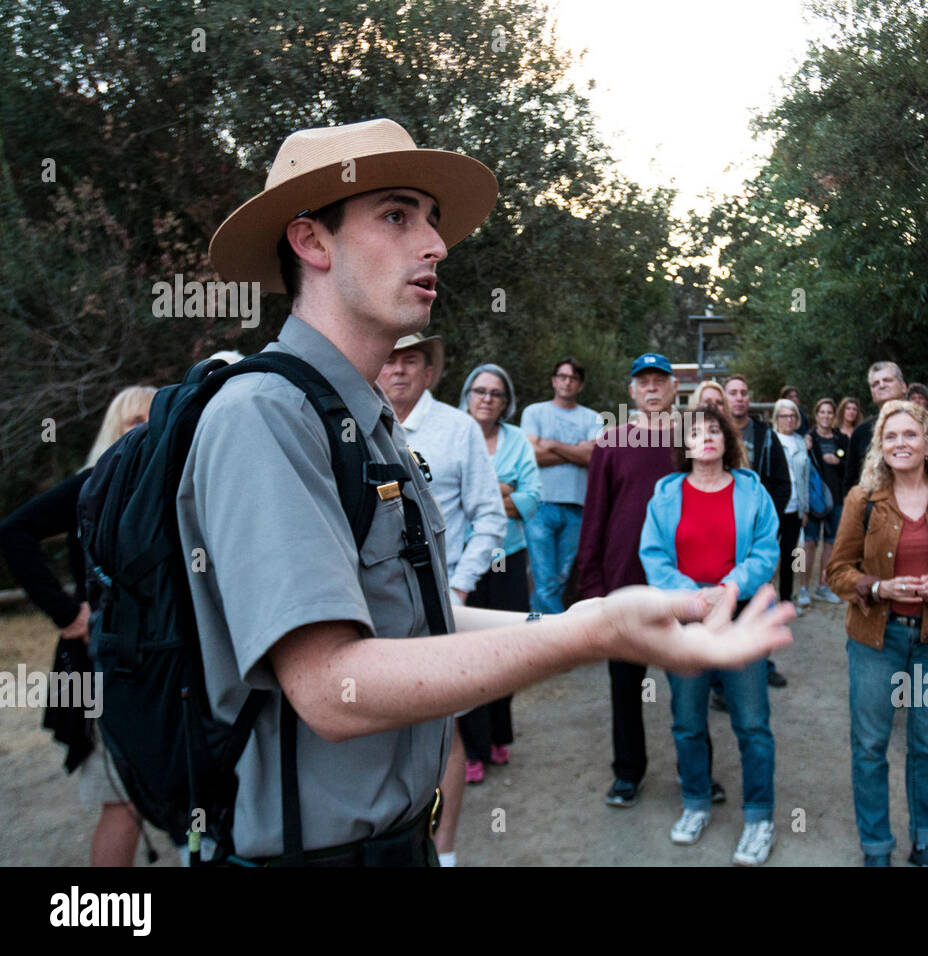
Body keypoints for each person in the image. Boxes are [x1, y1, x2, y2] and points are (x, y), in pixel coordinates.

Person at [189, 117, 792, 865]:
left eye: (433, 221)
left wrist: (584, 615)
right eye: (397, 215)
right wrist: (591, 635)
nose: (436, 245)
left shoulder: (368, 422)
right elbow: (329, 686)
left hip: (396, 841)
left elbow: (422, 625)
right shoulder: (264, 415)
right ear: (312, 243)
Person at [827, 399, 928, 866]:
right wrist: (876, 586)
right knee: (870, 746)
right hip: (875, 639)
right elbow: (837, 570)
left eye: (910, 434)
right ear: (880, 446)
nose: (901, 443)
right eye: (891, 436)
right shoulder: (863, 500)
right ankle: (877, 847)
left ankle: (927, 844)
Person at [0, 385, 156, 867]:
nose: (147, 431)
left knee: (148, 794)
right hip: (96, 668)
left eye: (156, 421)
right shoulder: (92, 483)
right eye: (135, 422)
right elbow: (14, 531)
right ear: (116, 429)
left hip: (147, 669)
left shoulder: (160, 490)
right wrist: (68, 613)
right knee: (124, 801)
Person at [376, 332, 507, 867]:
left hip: (438, 613)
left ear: (430, 372)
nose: (399, 371)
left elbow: (490, 517)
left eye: (412, 361)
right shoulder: (352, 424)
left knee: (441, 729)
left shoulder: (458, 431)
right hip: (373, 613)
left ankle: (444, 853)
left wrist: (456, 586)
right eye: (390, 359)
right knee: (379, 731)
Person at [640, 403, 781, 865]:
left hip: (740, 620)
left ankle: (760, 818)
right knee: (686, 720)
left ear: (727, 440)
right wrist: (698, 600)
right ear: (685, 444)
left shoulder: (751, 489)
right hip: (685, 623)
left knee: (753, 723)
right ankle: (696, 803)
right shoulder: (665, 495)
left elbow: (766, 548)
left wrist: (729, 588)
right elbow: (655, 558)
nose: (706, 437)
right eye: (696, 431)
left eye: (714, 430)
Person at [577, 353, 690, 808]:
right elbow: (595, 517)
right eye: (642, 381)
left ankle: (695, 771)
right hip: (623, 584)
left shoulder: (693, 439)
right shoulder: (611, 442)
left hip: (683, 584)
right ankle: (628, 772)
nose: (651, 387)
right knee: (625, 688)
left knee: (688, 685)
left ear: (673, 388)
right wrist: (591, 589)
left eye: (659, 380)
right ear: (631, 391)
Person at [456, 364, 541, 783]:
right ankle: (470, 746)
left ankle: (497, 734)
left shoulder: (517, 442)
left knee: (506, 648)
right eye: (480, 391)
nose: (487, 398)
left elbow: (533, 499)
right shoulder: (453, 434)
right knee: (467, 651)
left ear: (506, 402)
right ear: (467, 394)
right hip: (462, 561)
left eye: (496, 393)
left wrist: (484, 496)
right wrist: (502, 489)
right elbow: (450, 501)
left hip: (507, 556)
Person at [520, 357, 604, 614]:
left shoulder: (593, 418)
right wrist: (575, 451)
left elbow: (592, 457)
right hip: (540, 506)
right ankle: (555, 634)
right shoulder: (534, 412)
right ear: (554, 380)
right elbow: (532, 455)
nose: (567, 382)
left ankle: (537, 633)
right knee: (545, 579)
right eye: (562, 376)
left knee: (561, 578)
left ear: (580, 385)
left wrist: (552, 444)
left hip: (577, 507)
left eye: (573, 378)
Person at [724, 374, 792, 688]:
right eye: (733, 393)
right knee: (723, 600)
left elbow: (782, 483)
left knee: (759, 599)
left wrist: (766, 522)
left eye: (743, 393)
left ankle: (762, 664)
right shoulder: (712, 433)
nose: (739, 398)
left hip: (755, 538)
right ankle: (722, 671)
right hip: (719, 535)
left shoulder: (765, 435)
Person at [801, 397, 847, 604]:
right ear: (816, 415)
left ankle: (823, 586)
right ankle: (801, 588)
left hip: (836, 498)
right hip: (812, 500)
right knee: (806, 546)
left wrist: (839, 461)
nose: (826, 416)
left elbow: (851, 467)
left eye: (830, 412)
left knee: (830, 544)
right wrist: (806, 448)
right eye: (822, 412)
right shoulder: (807, 438)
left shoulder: (841, 439)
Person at [844, 362, 909, 494]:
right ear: (872, 393)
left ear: (903, 386)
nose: (881, 385)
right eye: (875, 384)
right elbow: (851, 482)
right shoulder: (860, 433)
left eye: (887, 380)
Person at [772, 398, 811, 611]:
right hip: (774, 509)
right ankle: (764, 601)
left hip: (795, 509)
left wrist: (804, 508)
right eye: (784, 416)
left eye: (792, 416)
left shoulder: (801, 443)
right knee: (767, 558)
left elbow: (804, 477)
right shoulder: (770, 440)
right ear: (776, 418)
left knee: (791, 556)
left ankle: (786, 600)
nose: (788, 420)